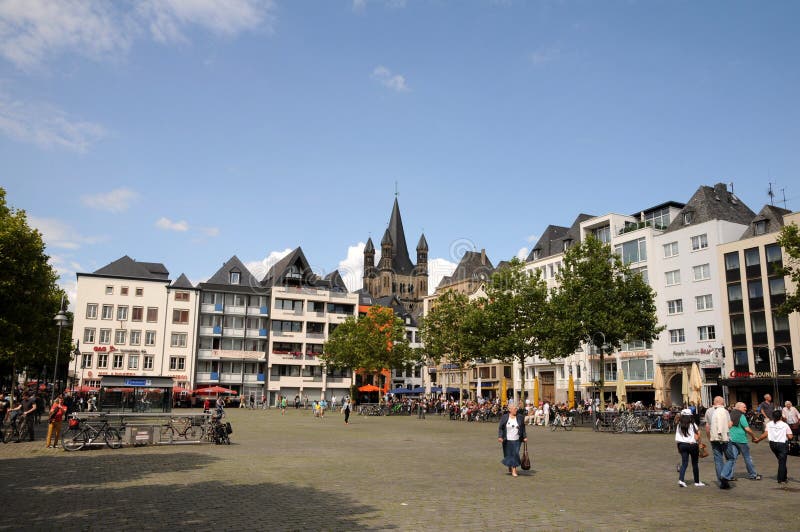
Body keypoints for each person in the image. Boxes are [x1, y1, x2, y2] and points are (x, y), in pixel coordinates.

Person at [755, 409, 794, 487]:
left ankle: (784, 477)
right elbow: (790, 436)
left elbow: (765, 434)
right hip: (782, 444)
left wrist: (758, 440)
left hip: (772, 445)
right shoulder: (784, 425)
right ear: (781, 417)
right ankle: (781, 479)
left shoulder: (769, 424)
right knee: (782, 462)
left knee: (781, 461)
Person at [728, 402, 762, 481]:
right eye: (744, 407)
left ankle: (729, 475)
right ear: (739, 407)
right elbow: (747, 429)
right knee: (747, 457)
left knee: (733, 458)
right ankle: (753, 474)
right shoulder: (741, 416)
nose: (746, 409)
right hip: (741, 439)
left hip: (732, 439)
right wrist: (753, 437)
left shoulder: (730, 414)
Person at [705, 395, 733, 489]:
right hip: (724, 437)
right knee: (730, 458)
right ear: (722, 402)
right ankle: (724, 475)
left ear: (714, 402)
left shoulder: (708, 411)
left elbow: (707, 427)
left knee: (718, 459)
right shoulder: (724, 411)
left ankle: (722, 483)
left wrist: (710, 438)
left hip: (714, 438)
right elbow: (728, 425)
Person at [675, 408, 704, 487]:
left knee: (684, 463)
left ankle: (681, 480)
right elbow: (697, 437)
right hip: (692, 445)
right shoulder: (693, 425)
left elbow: (677, 438)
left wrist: (678, 448)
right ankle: (697, 482)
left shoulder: (679, 425)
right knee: (695, 463)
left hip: (682, 445)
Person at [497, 402, 527, 477]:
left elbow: (523, 428)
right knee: (507, 454)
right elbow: (501, 427)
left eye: (516, 409)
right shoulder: (505, 417)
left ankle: (514, 470)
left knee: (515, 454)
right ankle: (510, 465)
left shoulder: (520, 417)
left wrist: (524, 437)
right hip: (506, 439)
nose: (516, 410)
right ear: (509, 409)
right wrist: (500, 436)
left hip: (517, 439)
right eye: (514, 409)